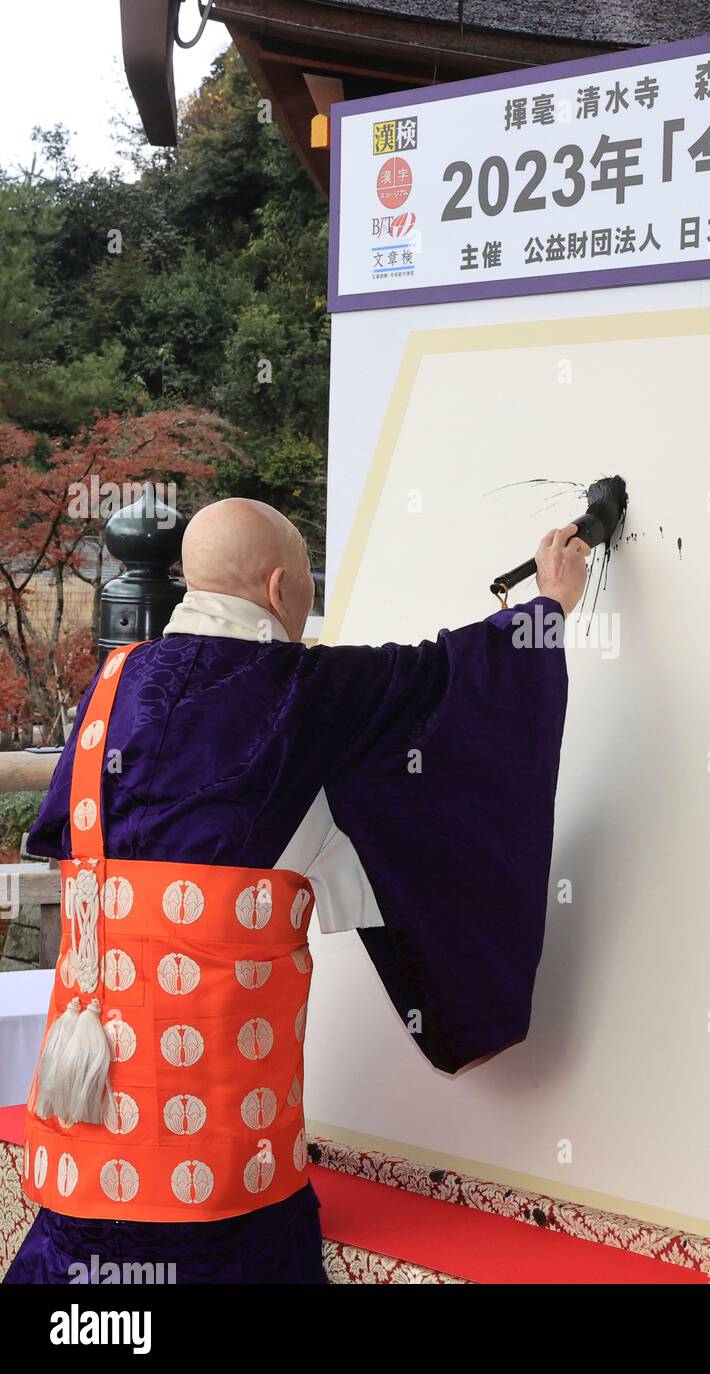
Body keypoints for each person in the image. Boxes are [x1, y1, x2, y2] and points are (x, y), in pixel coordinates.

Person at [5, 498, 589, 1285]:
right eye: (309, 583)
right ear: (281, 588)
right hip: (221, 1201)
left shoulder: (110, 688)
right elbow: (448, 682)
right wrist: (548, 607)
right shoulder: (299, 689)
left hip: (80, 1174)